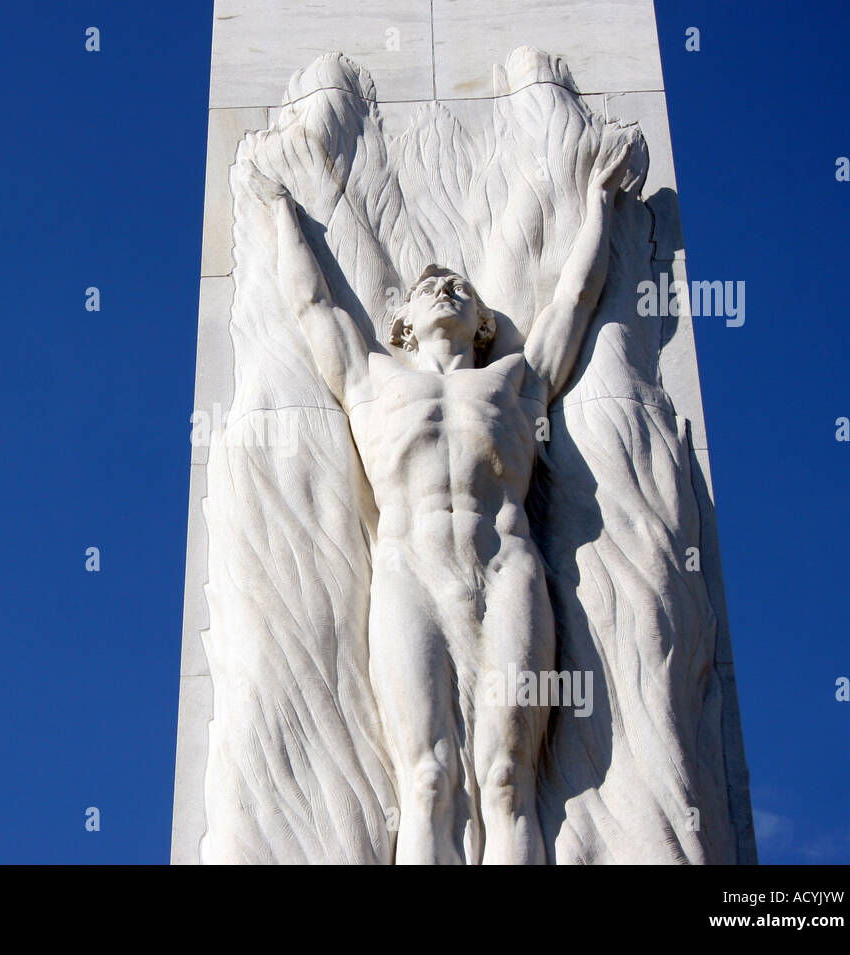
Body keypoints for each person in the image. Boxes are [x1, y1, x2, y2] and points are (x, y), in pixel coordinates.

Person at [241, 126, 637, 863]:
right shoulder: (373, 381)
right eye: (430, 288)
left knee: (505, 778)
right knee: (428, 777)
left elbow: (575, 302)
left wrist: (600, 201)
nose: (446, 289)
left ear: (484, 322)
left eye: (458, 286)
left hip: (507, 568)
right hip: (409, 575)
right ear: (403, 323)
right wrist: (276, 210)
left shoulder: (516, 382)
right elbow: (314, 308)